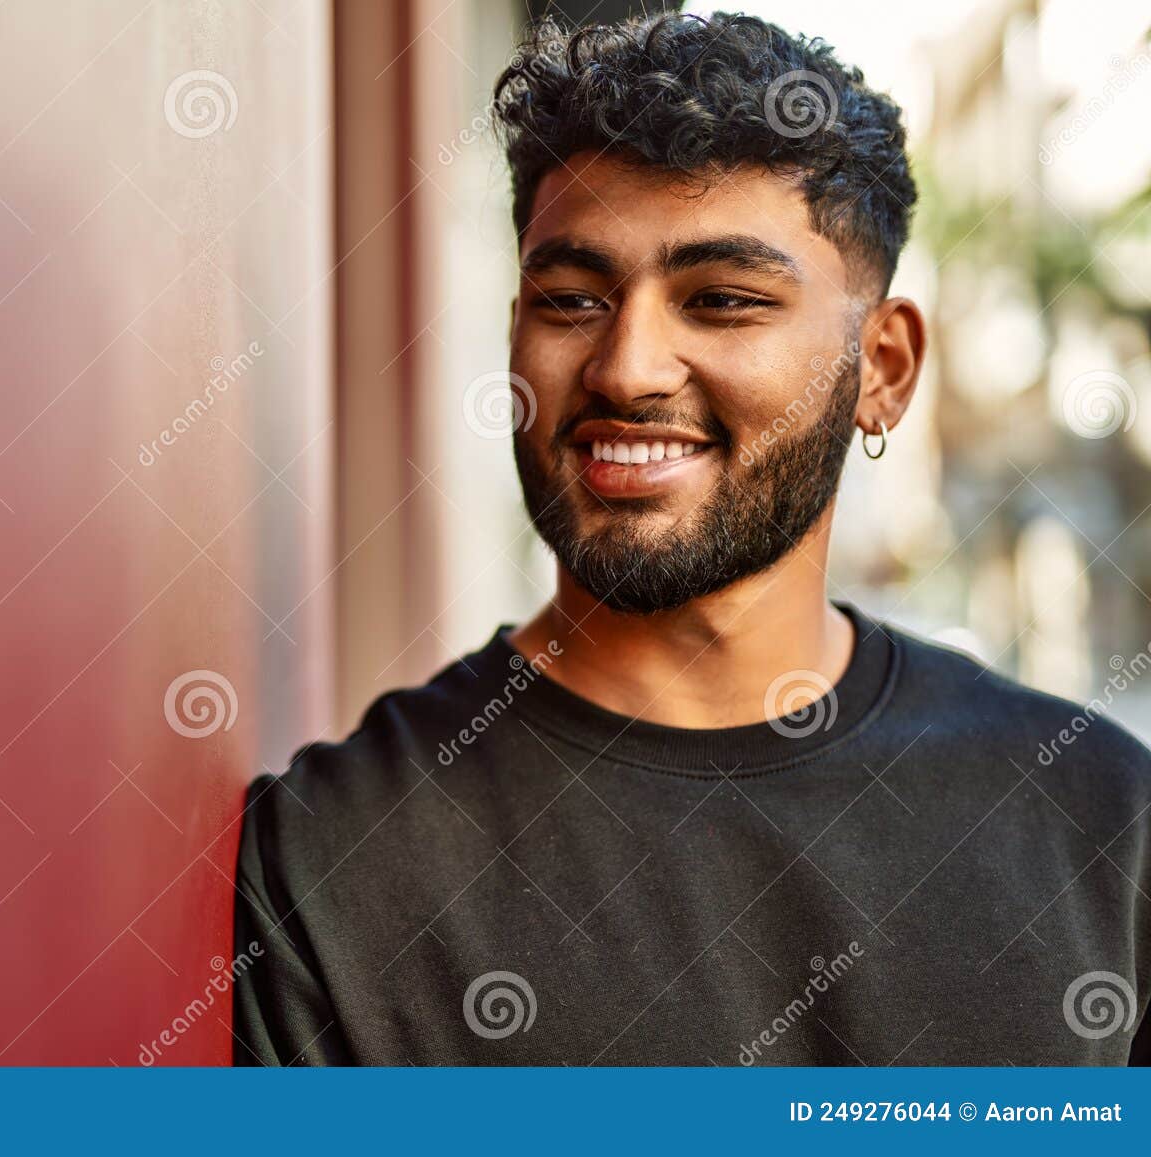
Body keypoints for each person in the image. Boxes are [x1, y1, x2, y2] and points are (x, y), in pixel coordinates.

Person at [232, 10, 1151, 1065]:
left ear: (883, 370)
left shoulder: (1097, 821)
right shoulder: (330, 856)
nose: (626, 369)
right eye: (570, 298)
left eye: (721, 300)